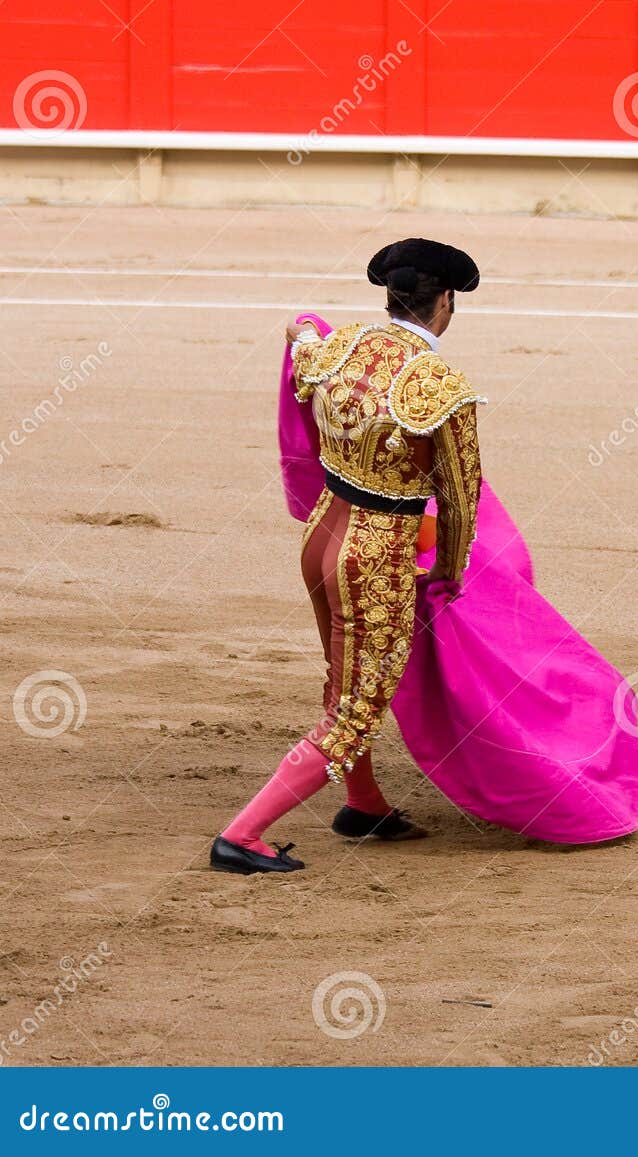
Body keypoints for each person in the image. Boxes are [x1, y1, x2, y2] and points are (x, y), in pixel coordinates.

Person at [211, 239, 484, 874]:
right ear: (444, 303)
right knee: (353, 712)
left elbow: (300, 332)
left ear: (390, 296)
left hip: (321, 536)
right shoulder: (440, 385)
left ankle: (362, 803)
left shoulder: (338, 349)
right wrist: (450, 566)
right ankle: (241, 837)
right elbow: (460, 495)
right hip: (375, 556)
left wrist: (304, 323)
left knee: (342, 680)